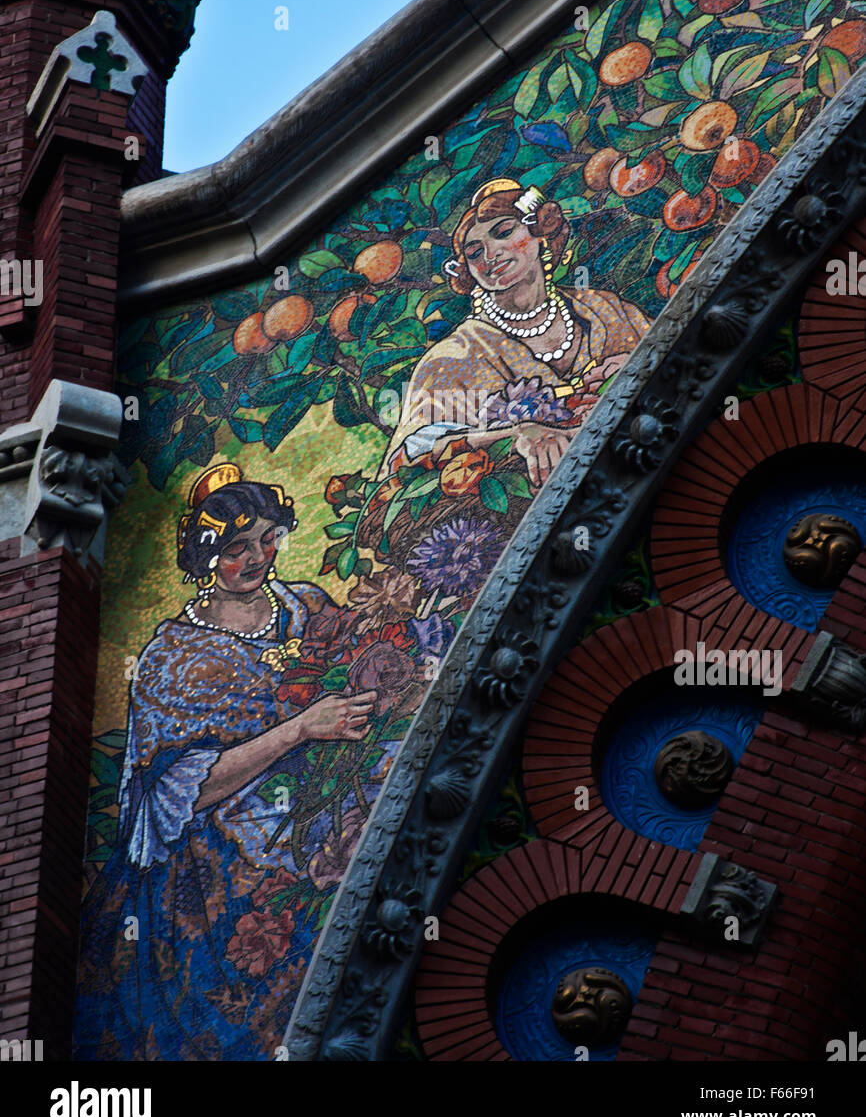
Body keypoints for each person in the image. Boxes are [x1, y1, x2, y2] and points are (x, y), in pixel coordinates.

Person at [74, 463, 377, 1061]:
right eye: (239, 547)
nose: (260, 557)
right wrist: (298, 730)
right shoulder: (170, 658)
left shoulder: (304, 606)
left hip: (323, 807)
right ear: (205, 556)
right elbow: (177, 792)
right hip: (222, 864)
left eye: (268, 539)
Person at [381, 178, 651, 487]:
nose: (490, 255)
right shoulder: (451, 359)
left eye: (504, 232)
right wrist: (516, 436)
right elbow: (410, 461)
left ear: (539, 232)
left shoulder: (604, 310)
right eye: (474, 252)